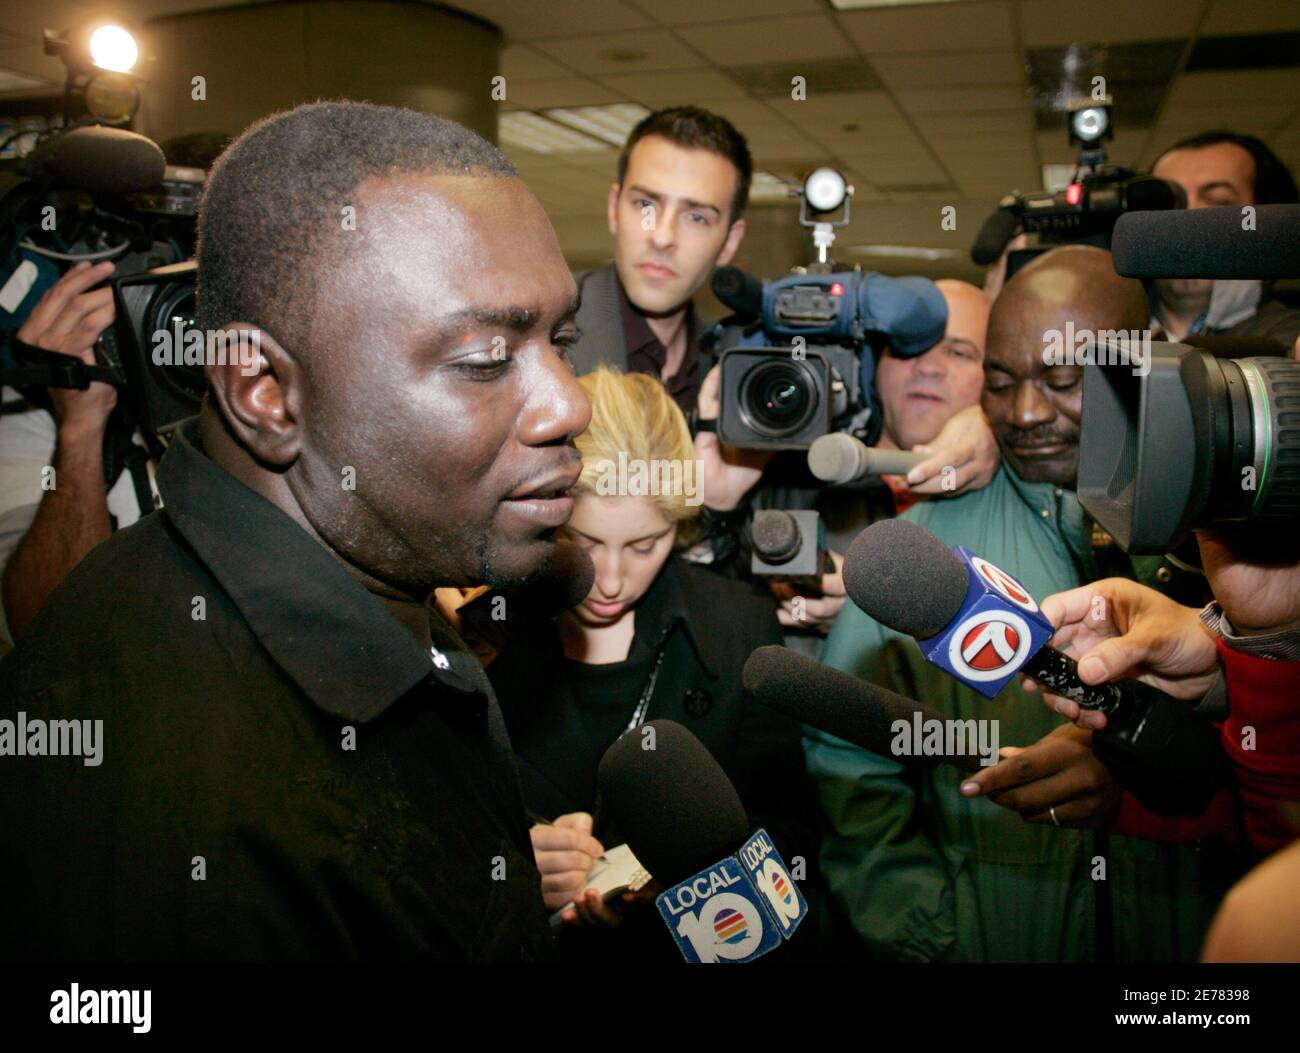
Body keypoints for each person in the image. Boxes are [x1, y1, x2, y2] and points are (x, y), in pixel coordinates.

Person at [0, 100, 591, 961]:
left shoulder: (365, 598)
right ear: (265, 393)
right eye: (485, 360)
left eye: (563, 338)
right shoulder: (206, 822)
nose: (570, 401)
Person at [805, 245, 1240, 962]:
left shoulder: (1228, 540)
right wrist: (932, 930)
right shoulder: (921, 558)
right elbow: (850, 766)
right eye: (1000, 384)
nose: (1027, 412)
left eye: (1064, 380)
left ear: (1144, 365)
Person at [484, 366, 830, 960]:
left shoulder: (738, 628)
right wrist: (513, 864)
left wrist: (686, 904)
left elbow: (792, 845)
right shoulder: (482, 635)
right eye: (585, 543)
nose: (612, 581)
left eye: (645, 545)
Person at [567, 106, 750, 415]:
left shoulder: (736, 368)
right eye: (645, 204)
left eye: (696, 217)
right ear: (614, 208)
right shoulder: (542, 333)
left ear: (729, 241)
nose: (662, 237)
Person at [1149, 131, 1300, 347]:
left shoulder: (1291, 339)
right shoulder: (1100, 330)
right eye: (1168, 200)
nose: (1186, 216)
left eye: (1218, 201)